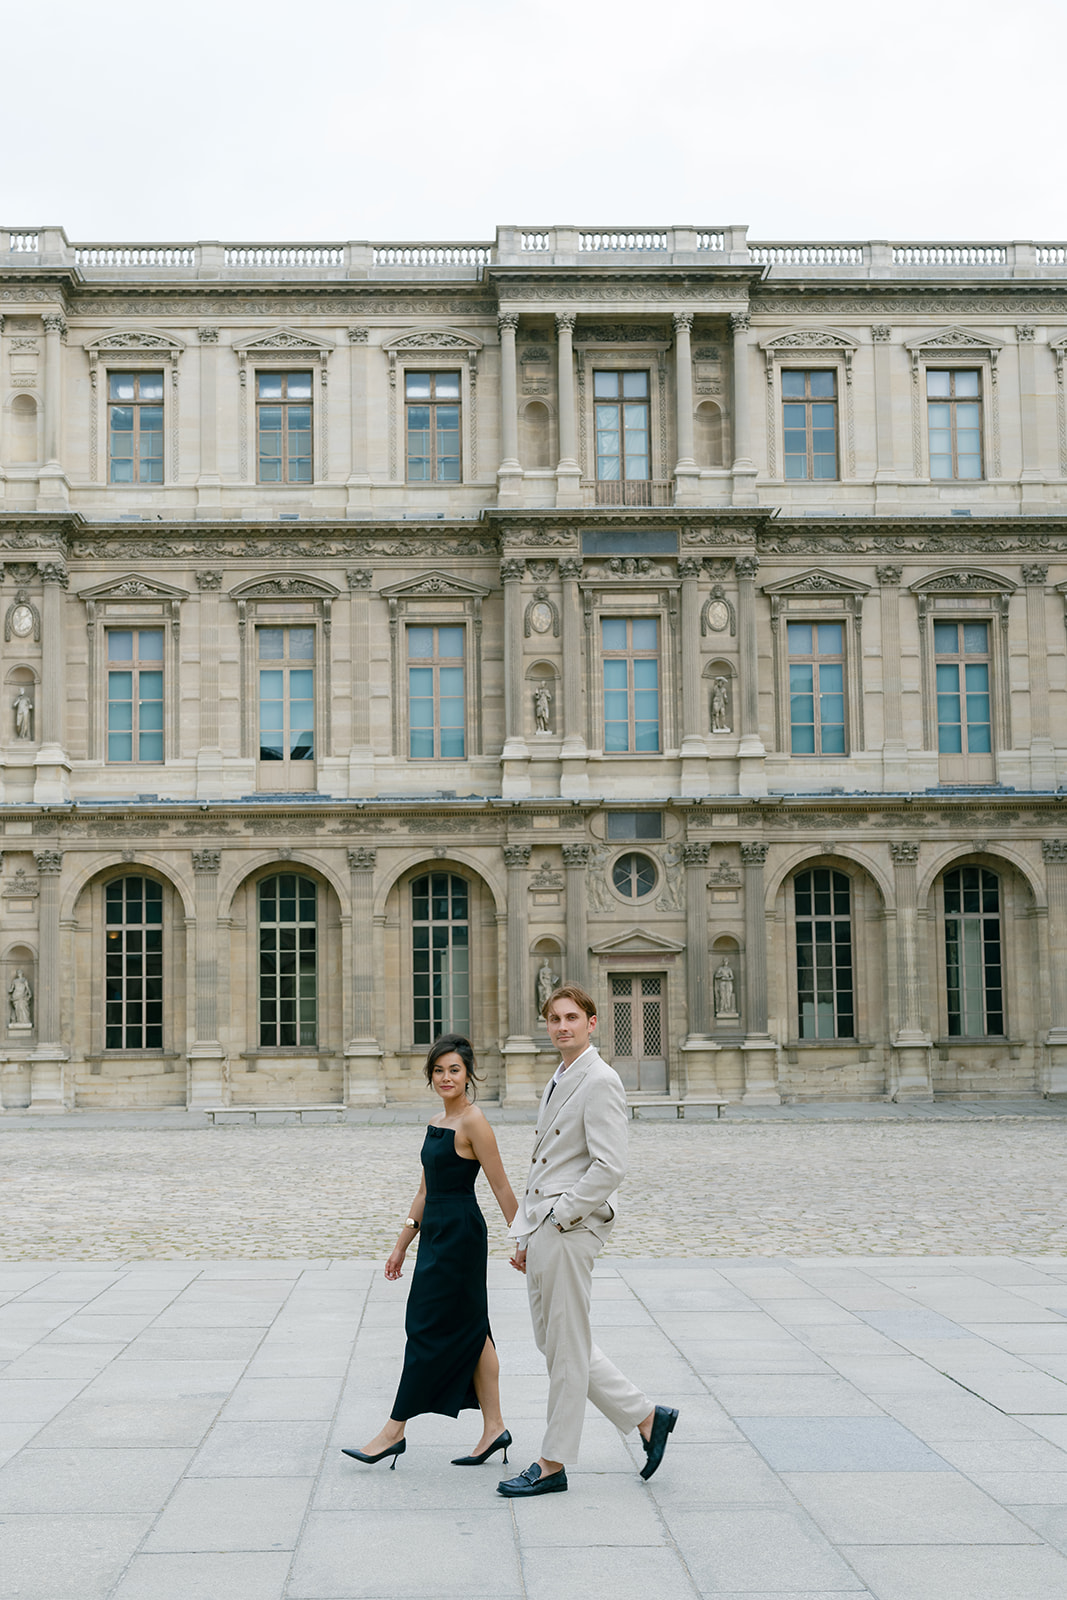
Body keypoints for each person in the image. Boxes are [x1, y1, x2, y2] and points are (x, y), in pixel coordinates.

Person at [499, 984, 678, 1498]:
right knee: (555, 1342)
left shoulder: (600, 1080)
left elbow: (610, 1165)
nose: (562, 1026)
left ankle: (552, 1463)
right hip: (546, 1228)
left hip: (570, 1228)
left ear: (592, 1022)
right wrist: (527, 1231)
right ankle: (646, 1417)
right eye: (554, 1018)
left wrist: (558, 1217)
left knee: (566, 1346)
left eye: (572, 1017)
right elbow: (545, 1164)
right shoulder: (560, 1076)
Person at [342, 1034, 518, 1470]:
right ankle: (494, 1428)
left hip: (461, 1236)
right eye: (439, 1070)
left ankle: (393, 1431)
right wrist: (402, 1244)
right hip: (435, 1234)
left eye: (454, 1069)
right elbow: (424, 1189)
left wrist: (523, 1236)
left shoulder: (475, 1122)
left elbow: (500, 1184)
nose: (446, 1077)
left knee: (425, 1328)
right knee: (473, 1328)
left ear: (468, 1074)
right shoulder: (437, 1120)